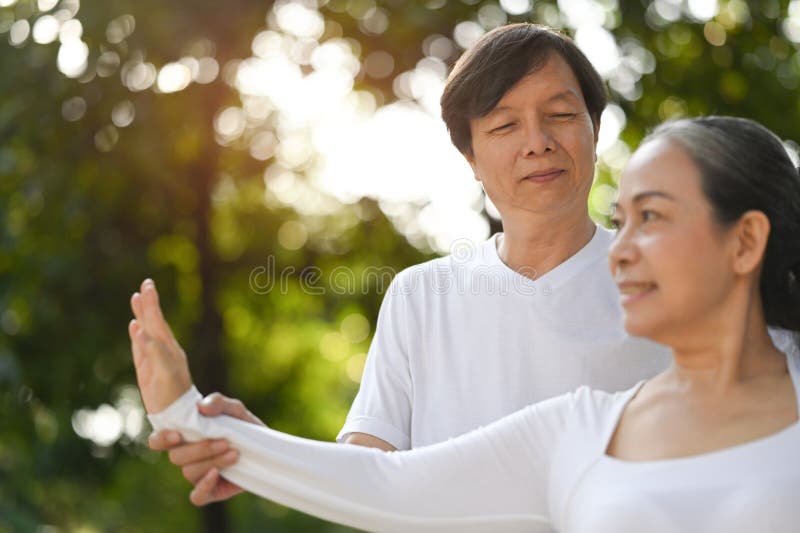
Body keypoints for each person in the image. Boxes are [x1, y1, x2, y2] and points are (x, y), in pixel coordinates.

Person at [130, 116, 800, 532]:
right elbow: (386, 486)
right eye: (620, 221)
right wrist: (199, 421)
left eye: (651, 217)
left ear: (744, 242)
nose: (619, 250)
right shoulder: (580, 428)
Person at [148, 23, 672, 505]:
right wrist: (253, 451)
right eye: (504, 125)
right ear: (470, 158)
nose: (538, 143)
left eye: (560, 115)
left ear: (595, 130)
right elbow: (369, 475)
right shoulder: (421, 297)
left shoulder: (670, 285)